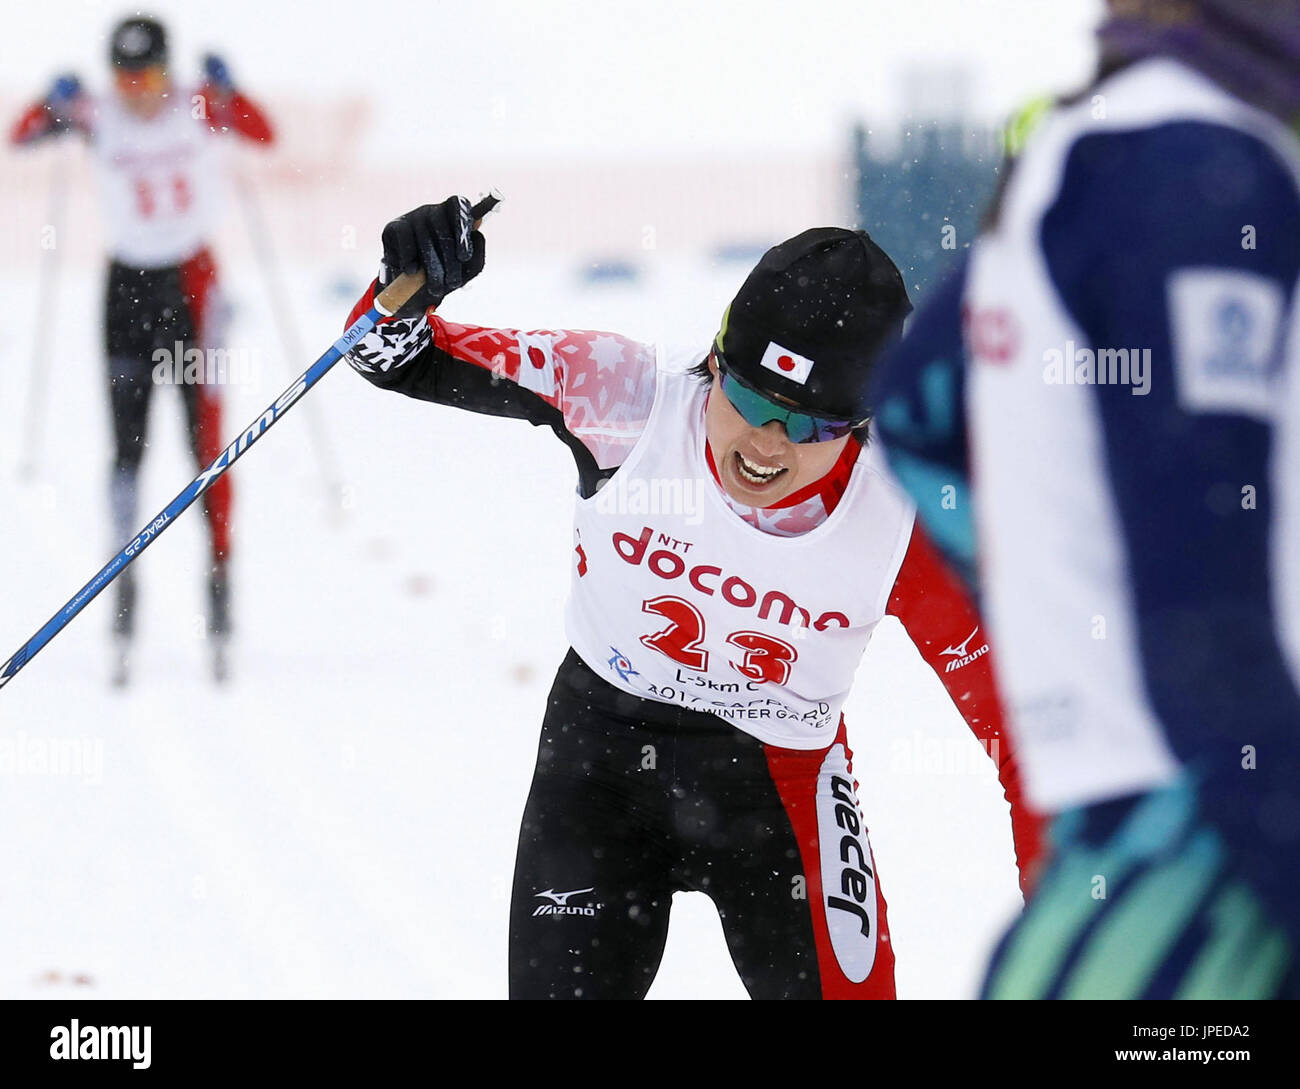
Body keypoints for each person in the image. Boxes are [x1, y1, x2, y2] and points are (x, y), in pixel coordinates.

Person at [344, 197, 1044, 999]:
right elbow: (389, 355)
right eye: (747, 399)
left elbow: (1031, 745)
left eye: (809, 426)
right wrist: (408, 282)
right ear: (714, 361)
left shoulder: (905, 516)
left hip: (779, 788)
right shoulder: (624, 397)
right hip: (599, 765)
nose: (766, 442)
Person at [871, 0, 1300, 998]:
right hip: (1212, 868)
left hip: (1151, 840)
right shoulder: (1191, 163)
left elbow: (920, 408)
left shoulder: (1127, 139)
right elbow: (1205, 586)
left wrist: (1069, 640)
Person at [9, 14, 275, 684]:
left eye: (148, 74)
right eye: (124, 76)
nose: (136, 89)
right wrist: (51, 102)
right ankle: (123, 583)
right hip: (127, 289)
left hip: (191, 287)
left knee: (204, 446)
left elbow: (262, 133)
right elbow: (20, 136)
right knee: (127, 445)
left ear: (167, 69)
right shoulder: (97, 112)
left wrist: (230, 91)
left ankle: (220, 579)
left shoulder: (195, 104)